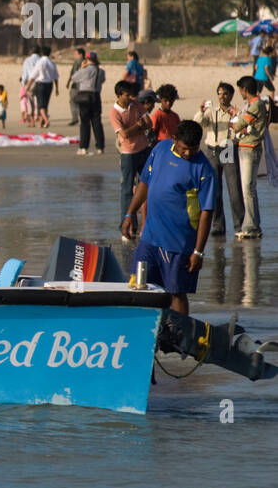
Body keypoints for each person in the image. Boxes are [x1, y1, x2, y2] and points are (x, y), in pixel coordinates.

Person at [122, 121, 216, 316]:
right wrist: (130, 213)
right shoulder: (160, 149)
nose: (189, 153)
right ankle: (147, 334)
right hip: (149, 239)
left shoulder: (204, 170)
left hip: (179, 245)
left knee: (177, 294)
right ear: (174, 140)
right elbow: (144, 183)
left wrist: (198, 252)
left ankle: (180, 338)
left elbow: (207, 212)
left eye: (193, 149)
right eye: (184, 148)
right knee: (139, 287)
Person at [194, 83, 245, 237]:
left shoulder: (236, 112)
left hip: (228, 147)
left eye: (225, 94)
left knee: (234, 189)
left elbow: (241, 131)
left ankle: (240, 225)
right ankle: (218, 225)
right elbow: (198, 123)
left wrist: (236, 116)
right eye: (220, 94)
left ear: (231, 95)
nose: (222, 97)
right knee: (214, 190)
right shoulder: (211, 112)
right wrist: (201, 111)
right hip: (212, 150)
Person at [109, 80, 153, 237]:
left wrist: (137, 126)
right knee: (127, 190)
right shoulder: (114, 113)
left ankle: (148, 223)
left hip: (143, 149)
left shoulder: (135, 104)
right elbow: (124, 134)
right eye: (127, 95)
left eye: (130, 94)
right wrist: (138, 125)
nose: (130, 97)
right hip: (128, 153)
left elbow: (149, 123)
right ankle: (126, 225)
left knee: (150, 184)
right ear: (119, 95)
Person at [234, 75, 270, 239]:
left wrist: (236, 121)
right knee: (249, 189)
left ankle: (251, 227)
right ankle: (253, 225)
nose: (240, 93)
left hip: (250, 149)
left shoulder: (255, 105)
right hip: (248, 148)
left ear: (245, 90)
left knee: (248, 189)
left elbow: (239, 125)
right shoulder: (254, 105)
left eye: (240, 90)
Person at [70, 55, 105, 155]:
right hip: (96, 96)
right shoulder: (101, 71)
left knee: (85, 122)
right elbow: (102, 80)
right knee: (97, 121)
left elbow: (74, 78)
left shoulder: (85, 70)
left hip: (85, 95)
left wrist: (81, 68)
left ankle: (83, 147)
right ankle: (100, 147)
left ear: (88, 60)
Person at [26, 45, 59, 128]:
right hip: (49, 85)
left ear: (41, 53)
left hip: (41, 84)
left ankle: (46, 121)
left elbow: (34, 75)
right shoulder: (52, 63)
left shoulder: (40, 62)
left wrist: (28, 86)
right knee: (45, 104)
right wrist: (57, 88)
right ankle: (41, 123)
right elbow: (56, 77)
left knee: (41, 105)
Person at [20, 46, 41, 126]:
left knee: (31, 102)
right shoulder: (41, 60)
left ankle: (32, 121)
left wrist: (23, 84)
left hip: (30, 83)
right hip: (41, 82)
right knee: (40, 101)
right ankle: (40, 119)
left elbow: (24, 74)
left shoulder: (27, 60)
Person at [66, 47, 86, 125]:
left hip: (76, 86)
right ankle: (82, 118)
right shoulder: (87, 61)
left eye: (76, 54)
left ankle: (75, 118)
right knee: (82, 103)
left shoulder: (78, 62)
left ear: (80, 54)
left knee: (73, 101)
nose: (75, 56)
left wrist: (68, 82)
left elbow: (73, 73)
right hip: (84, 86)